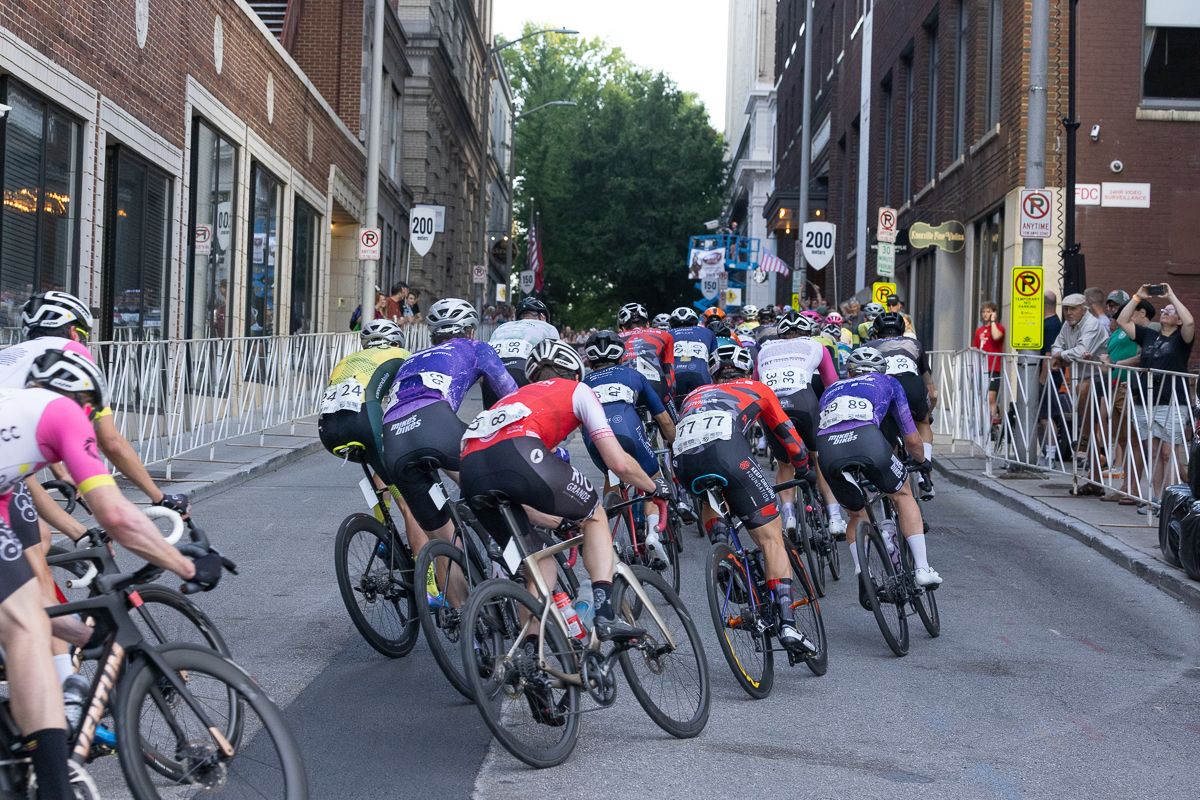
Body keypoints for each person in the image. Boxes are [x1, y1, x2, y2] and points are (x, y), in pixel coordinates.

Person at [1, 350, 230, 800]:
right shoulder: (64, 412)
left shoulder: (18, 435)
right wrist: (186, 564)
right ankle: (54, 787)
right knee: (27, 627)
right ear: (86, 401)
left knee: (26, 604)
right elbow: (116, 516)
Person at [460, 340, 669, 656]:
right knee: (595, 514)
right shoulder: (578, 390)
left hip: (471, 468)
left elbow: (517, 487)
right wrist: (655, 489)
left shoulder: (514, 398)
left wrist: (558, 518)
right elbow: (619, 463)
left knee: (539, 563)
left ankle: (533, 659)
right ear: (576, 372)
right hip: (519, 453)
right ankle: (605, 614)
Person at [673, 342, 817, 655]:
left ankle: (724, 553)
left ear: (714, 373)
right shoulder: (756, 388)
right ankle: (789, 623)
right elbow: (788, 435)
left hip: (685, 463)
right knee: (771, 539)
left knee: (709, 490)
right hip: (729, 457)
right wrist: (805, 467)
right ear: (746, 371)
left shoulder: (693, 396)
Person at [380, 299, 518, 558]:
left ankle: (456, 600)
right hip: (435, 425)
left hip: (394, 440)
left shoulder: (412, 358)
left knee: (443, 544)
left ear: (433, 335)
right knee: (487, 486)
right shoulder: (475, 348)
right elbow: (510, 394)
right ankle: (501, 546)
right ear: (470, 330)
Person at [816, 347, 940, 603]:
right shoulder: (889, 382)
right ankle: (922, 568)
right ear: (881, 369)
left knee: (857, 514)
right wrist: (923, 463)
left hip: (828, 450)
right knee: (902, 494)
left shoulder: (831, 389)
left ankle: (864, 574)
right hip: (867, 441)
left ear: (849, 372)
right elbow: (912, 437)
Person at [581, 330, 676, 566]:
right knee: (650, 478)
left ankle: (612, 536)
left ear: (590, 360)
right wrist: (675, 443)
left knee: (612, 474)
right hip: (628, 431)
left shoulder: (582, 383)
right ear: (622, 356)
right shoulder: (633, 375)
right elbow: (663, 419)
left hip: (596, 437)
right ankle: (654, 533)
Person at [755, 310, 846, 536]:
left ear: (780, 334)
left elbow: (755, 384)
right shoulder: (817, 346)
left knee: (785, 464)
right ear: (808, 332)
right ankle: (835, 517)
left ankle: (789, 518)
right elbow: (832, 385)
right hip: (803, 401)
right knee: (817, 458)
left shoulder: (764, 350)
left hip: (772, 406)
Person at [1116, 284, 1195, 508]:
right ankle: (1157, 499)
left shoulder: (1182, 340)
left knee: (1169, 451)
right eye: (1163, 310)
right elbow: (1122, 321)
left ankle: (1171, 499)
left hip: (1171, 400)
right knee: (1154, 450)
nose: (1164, 312)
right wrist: (1137, 297)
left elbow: (1189, 322)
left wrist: (1172, 296)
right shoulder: (1149, 335)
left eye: (1170, 311)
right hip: (1146, 400)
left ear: (1177, 320)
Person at [862, 311, 938, 485]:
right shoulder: (914, 344)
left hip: (885, 387)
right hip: (913, 385)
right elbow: (932, 391)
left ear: (876, 331)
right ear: (902, 330)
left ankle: (892, 479)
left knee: (886, 435)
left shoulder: (869, 345)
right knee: (923, 423)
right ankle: (924, 470)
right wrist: (927, 412)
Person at [484, 296, 559, 406]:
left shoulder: (501, 327)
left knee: (492, 418)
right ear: (542, 316)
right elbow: (557, 363)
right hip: (522, 371)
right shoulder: (547, 327)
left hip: (492, 375)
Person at [617, 302, 675, 411]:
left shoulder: (615, 339)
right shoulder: (665, 335)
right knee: (671, 424)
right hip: (656, 386)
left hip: (625, 388)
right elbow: (669, 370)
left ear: (622, 328)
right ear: (647, 324)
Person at [668, 306, 718, 404]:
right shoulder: (708, 332)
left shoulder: (667, 333)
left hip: (675, 376)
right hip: (701, 375)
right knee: (705, 408)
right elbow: (714, 360)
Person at [973, 302, 1007, 425]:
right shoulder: (979, 331)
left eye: (988, 311)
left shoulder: (999, 328)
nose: (985, 314)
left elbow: (996, 336)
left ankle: (990, 423)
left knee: (991, 398)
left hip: (993, 367)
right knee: (982, 397)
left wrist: (993, 322)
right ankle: (983, 424)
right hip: (980, 368)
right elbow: (976, 348)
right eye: (984, 312)